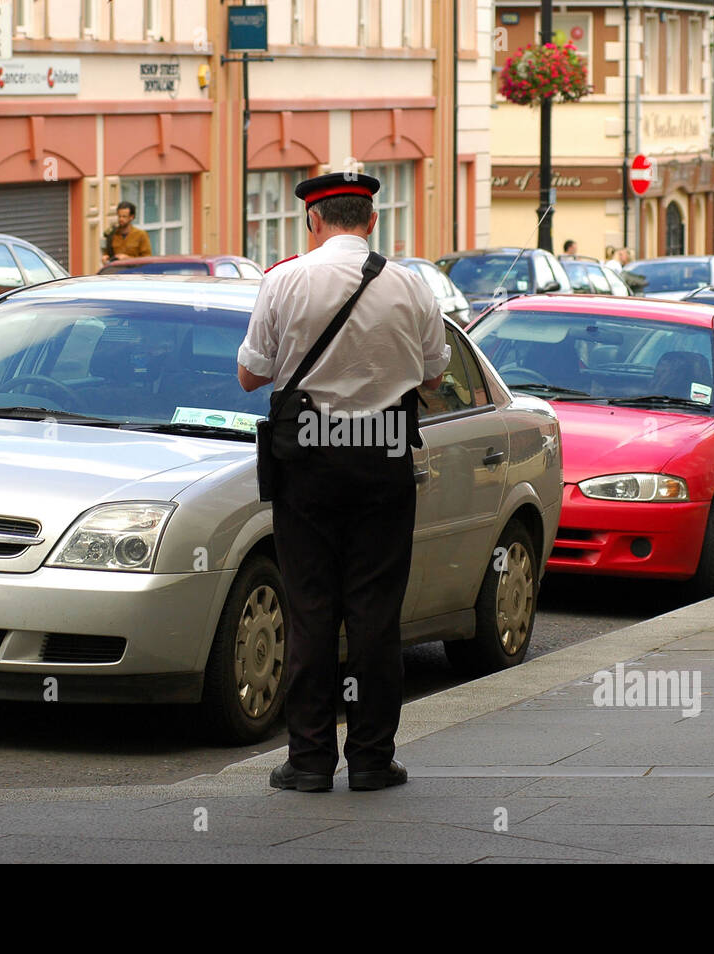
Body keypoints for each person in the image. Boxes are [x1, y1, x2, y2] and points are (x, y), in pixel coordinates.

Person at [237, 172, 450, 794]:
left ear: (314, 220)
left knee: (309, 611)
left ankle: (307, 761)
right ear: (372, 220)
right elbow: (434, 377)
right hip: (381, 463)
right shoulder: (410, 285)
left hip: (307, 464)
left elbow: (251, 375)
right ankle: (371, 760)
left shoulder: (284, 281)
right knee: (375, 616)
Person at [100, 200, 151, 266]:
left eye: (124, 216)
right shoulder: (112, 234)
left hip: (135, 272)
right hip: (116, 272)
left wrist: (128, 259)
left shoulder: (141, 235)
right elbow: (107, 254)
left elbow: (147, 259)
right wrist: (105, 259)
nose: (121, 219)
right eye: (119, 216)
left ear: (131, 217)